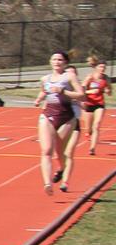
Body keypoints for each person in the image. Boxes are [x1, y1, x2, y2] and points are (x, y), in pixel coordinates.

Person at [34, 52, 85, 194]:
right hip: (48, 114)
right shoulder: (45, 78)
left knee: (59, 151)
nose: (57, 62)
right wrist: (38, 100)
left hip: (66, 116)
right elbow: (44, 91)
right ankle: (47, 183)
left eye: (60, 60)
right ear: (50, 61)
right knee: (46, 150)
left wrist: (63, 91)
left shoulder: (70, 76)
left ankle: (62, 168)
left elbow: (82, 95)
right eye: (54, 59)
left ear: (65, 62)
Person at [80, 58, 107, 155]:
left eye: (104, 67)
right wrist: (89, 91)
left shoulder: (106, 78)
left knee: (97, 125)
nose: (102, 69)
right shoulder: (90, 77)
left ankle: (92, 148)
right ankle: (89, 132)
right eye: (101, 67)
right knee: (89, 129)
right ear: (96, 67)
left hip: (99, 104)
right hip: (89, 104)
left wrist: (108, 91)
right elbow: (81, 90)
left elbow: (109, 89)